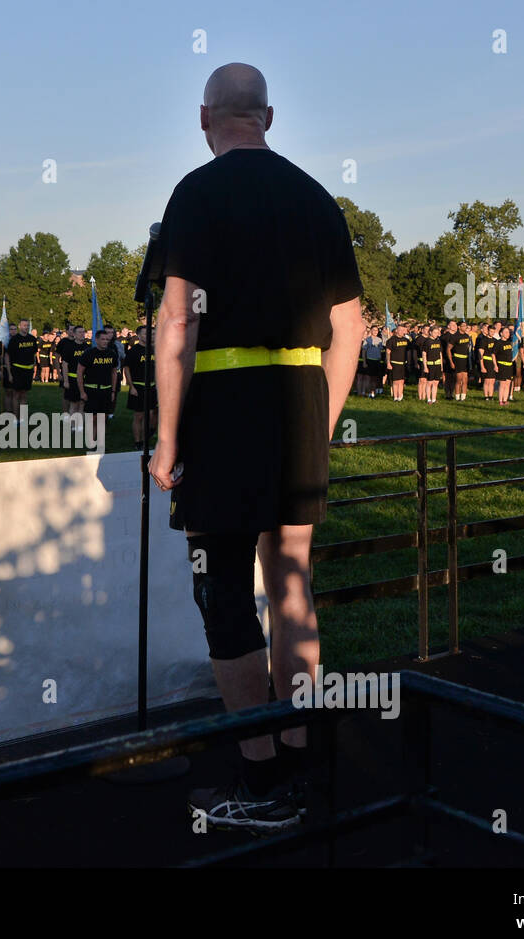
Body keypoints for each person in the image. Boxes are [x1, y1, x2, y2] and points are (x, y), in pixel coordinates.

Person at [147, 63, 364, 831]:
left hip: (223, 420)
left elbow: (178, 323)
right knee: (293, 587)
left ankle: (262, 780)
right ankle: (302, 764)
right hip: (299, 412)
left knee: (226, 598)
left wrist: (169, 438)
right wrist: (322, 418)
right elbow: (352, 328)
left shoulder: (195, 196)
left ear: (205, 117)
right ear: (267, 117)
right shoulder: (316, 198)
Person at [123, 324, 157, 449]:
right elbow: (126, 369)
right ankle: (138, 442)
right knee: (139, 415)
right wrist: (131, 386)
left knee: (151, 414)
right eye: (144, 333)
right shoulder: (134, 351)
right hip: (138, 387)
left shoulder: (154, 349)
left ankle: (145, 439)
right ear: (138, 335)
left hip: (152, 387)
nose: (147, 336)